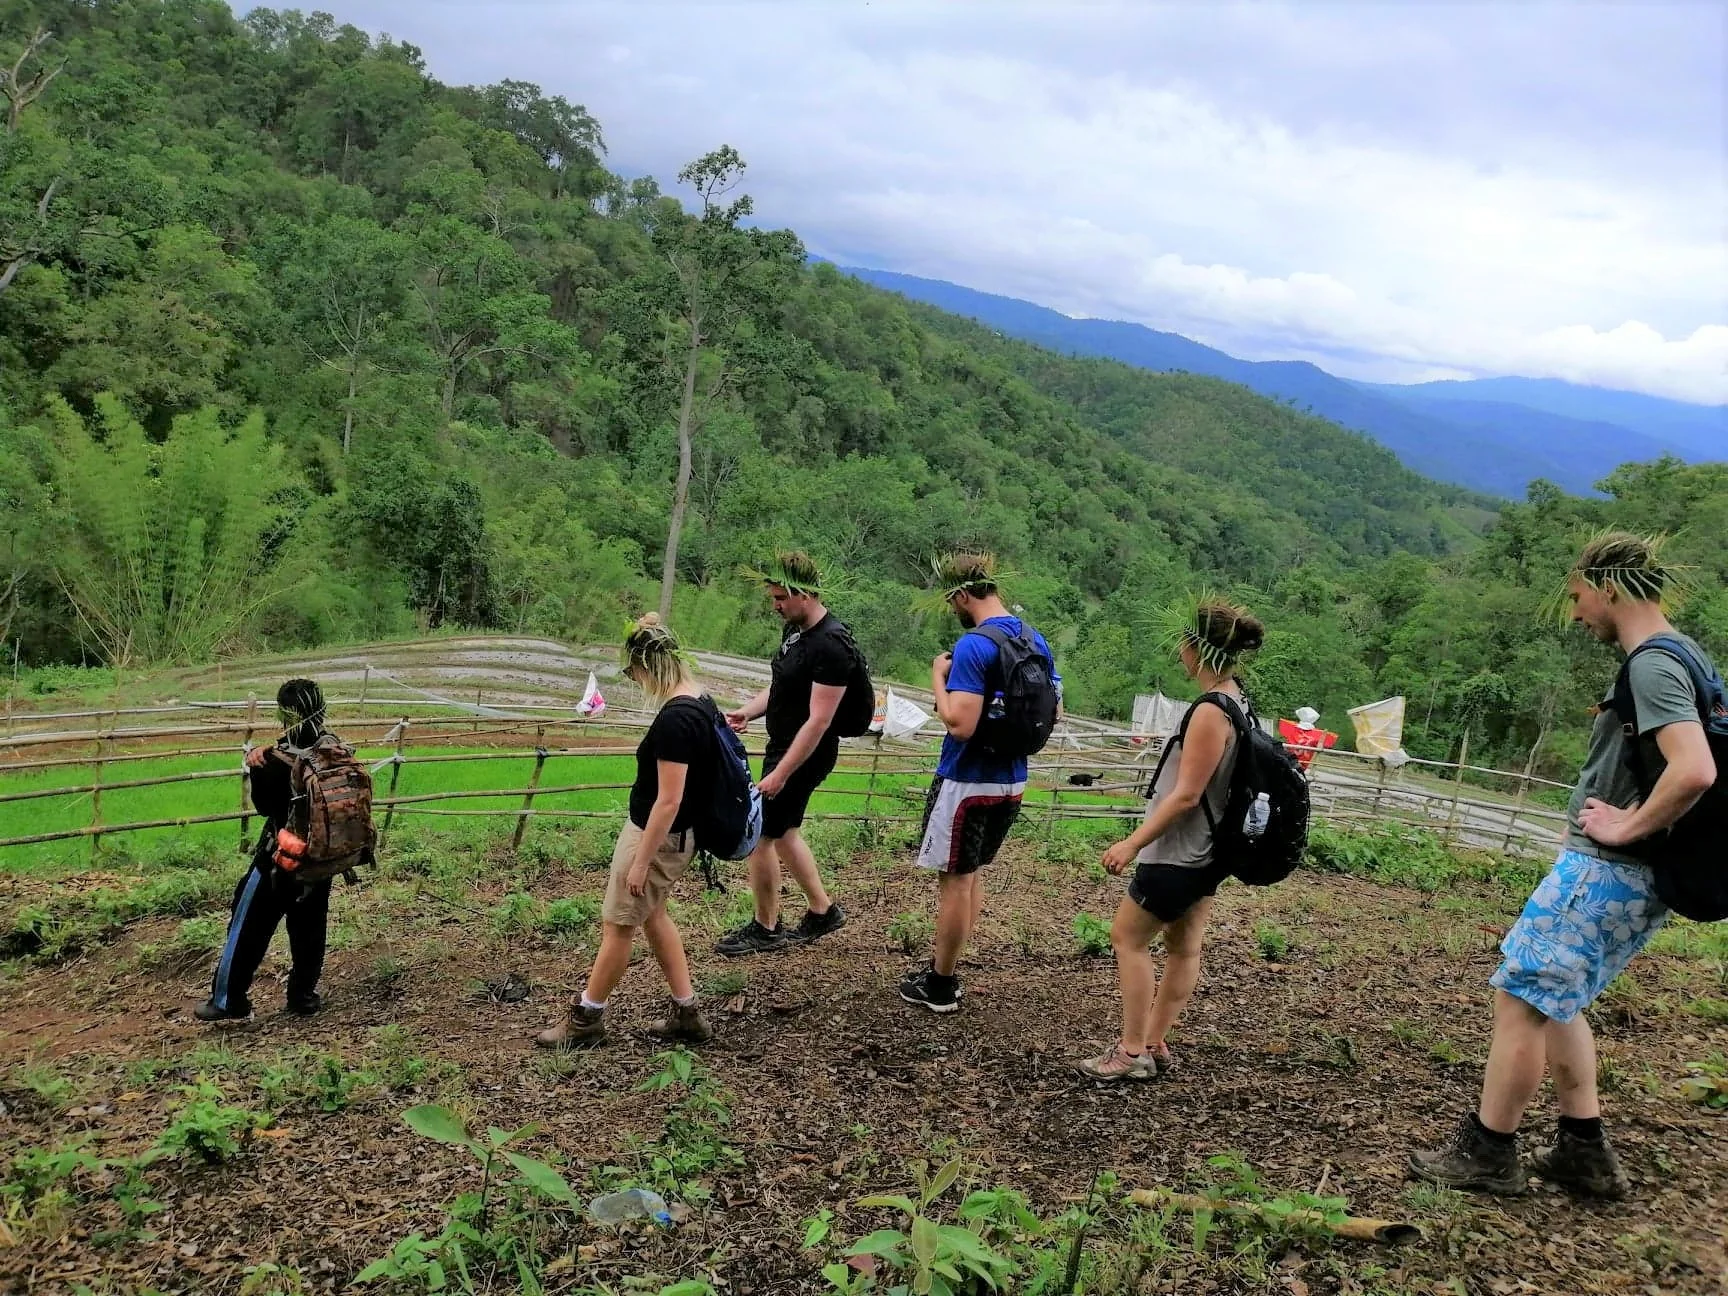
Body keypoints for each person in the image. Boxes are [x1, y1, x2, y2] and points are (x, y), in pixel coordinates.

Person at [1410, 532, 1717, 1198]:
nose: (1576, 613)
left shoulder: (1652, 665)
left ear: (1609, 587)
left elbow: (1695, 769)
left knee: (1521, 998)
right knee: (1557, 999)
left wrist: (1627, 825)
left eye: (1578, 597)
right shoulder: (1685, 653)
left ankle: (1489, 1152)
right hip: (1631, 872)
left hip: (1610, 870)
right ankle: (1584, 1150)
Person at [1075, 598, 1264, 1080]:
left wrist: (1132, 843)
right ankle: (1154, 1040)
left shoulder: (1210, 711)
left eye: (1183, 642)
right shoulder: (1239, 700)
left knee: (1128, 938)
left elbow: (1185, 795)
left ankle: (1131, 1051)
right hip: (1210, 852)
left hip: (1180, 851)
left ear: (1197, 649)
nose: (1180, 651)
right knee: (1184, 946)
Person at [536, 614, 720, 1048]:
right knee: (654, 915)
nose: (635, 681)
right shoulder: (701, 699)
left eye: (634, 671)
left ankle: (587, 1019)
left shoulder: (676, 719)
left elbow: (669, 800)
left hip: (657, 838)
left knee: (618, 926)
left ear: (648, 667)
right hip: (677, 836)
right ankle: (687, 1013)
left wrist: (640, 861)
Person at [901, 553, 1060, 1013]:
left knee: (955, 880)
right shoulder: (1034, 639)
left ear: (961, 596)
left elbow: (960, 724)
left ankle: (940, 984)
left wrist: (938, 676)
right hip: (1011, 781)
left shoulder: (974, 645)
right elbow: (1056, 710)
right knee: (971, 875)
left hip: (966, 782)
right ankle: (948, 966)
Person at [715, 552, 849, 955]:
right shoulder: (797, 633)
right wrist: (749, 712)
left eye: (779, 598)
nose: (774, 606)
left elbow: (819, 721)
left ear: (804, 594)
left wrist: (781, 773)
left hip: (804, 752)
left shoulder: (831, 645)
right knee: (784, 830)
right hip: (785, 746)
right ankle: (823, 910)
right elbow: (782, 686)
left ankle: (766, 927)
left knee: (760, 835)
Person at [196, 679, 344, 1022]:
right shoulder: (333, 749)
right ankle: (303, 996)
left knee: (248, 923)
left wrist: (256, 767)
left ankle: (228, 1000)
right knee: (310, 928)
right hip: (319, 858)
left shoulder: (274, 761)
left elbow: (264, 807)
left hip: (277, 858)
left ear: (283, 714)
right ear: (322, 708)